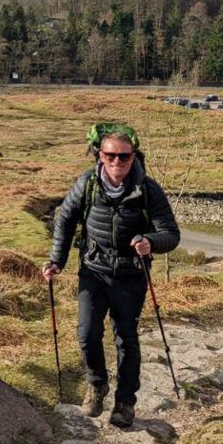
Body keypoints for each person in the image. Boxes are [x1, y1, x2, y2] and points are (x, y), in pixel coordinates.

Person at [43, 126, 180, 428]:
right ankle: (97, 385)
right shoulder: (87, 184)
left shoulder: (148, 189)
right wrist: (56, 260)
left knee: (126, 339)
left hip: (131, 276)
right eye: (110, 155)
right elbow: (65, 221)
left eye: (124, 156)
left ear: (134, 157)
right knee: (87, 333)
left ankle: (125, 402)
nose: (117, 161)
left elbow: (171, 234)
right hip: (93, 271)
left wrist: (150, 243)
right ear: (100, 155)